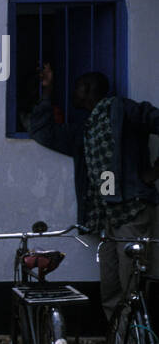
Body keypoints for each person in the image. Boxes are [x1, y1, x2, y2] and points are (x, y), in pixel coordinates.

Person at [29, 63, 159, 321]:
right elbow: (43, 132)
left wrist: (154, 172)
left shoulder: (122, 109)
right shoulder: (85, 130)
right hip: (106, 221)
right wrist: (46, 92)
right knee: (111, 290)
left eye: (76, 88)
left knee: (132, 287)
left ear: (87, 89)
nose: (73, 94)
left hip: (131, 212)